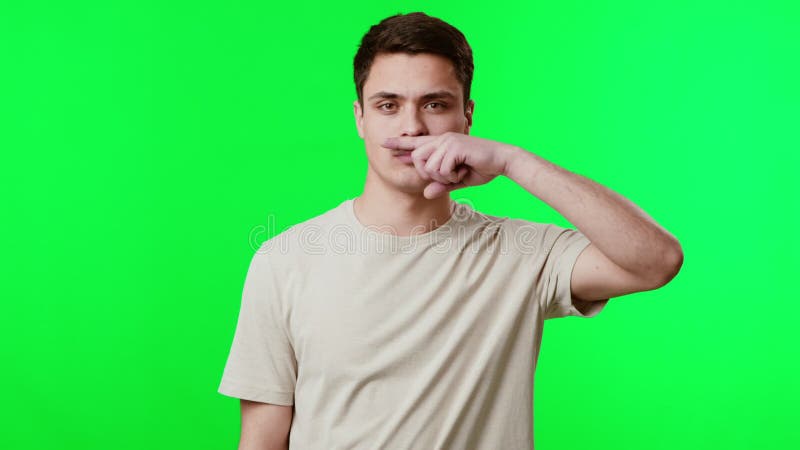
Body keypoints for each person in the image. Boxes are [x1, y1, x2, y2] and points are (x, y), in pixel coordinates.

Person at [218, 11, 683, 450]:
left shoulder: (522, 253)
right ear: (360, 117)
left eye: (434, 104)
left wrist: (512, 161)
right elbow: (261, 439)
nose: (412, 127)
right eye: (388, 105)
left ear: (467, 117)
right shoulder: (285, 261)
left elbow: (656, 261)